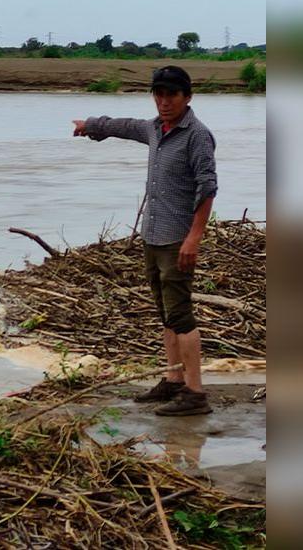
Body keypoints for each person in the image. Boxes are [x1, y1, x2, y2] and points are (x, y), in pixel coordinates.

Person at [71, 65, 217, 416]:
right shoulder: (155, 129)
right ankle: (173, 380)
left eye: (172, 95)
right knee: (166, 314)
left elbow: (208, 187)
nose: (164, 101)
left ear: (187, 97)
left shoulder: (197, 135)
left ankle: (196, 394)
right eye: (159, 94)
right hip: (153, 235)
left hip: (176, 240)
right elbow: (123, 126)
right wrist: (91, 126)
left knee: (181, 316)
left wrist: (193, 238)